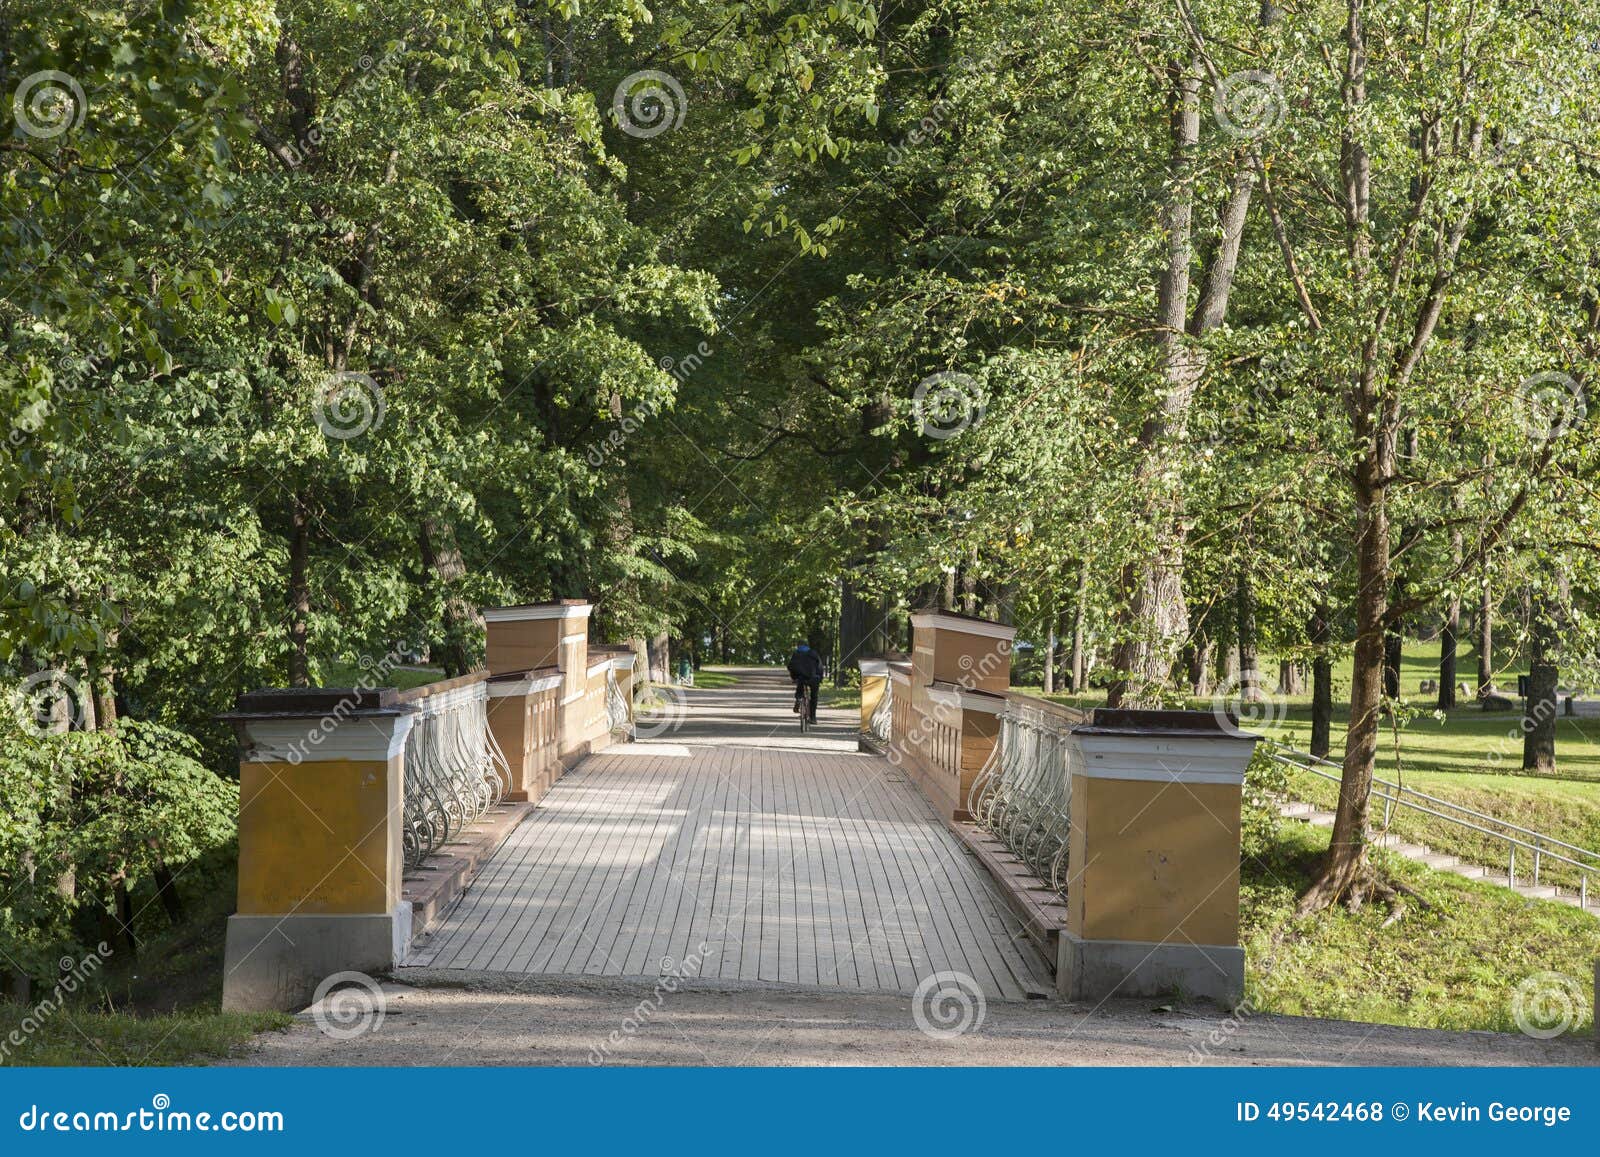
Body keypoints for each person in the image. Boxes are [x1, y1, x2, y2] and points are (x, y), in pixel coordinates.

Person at [786, 642, 823, 723]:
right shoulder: (814, 653)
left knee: (800, 686)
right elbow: (820, 667)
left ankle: (798, 699)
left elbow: (790, 666)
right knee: (814, 697)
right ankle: (813, 718)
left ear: (799, 646)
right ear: (807, 646)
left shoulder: (796, 653)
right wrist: (820, 678)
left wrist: (794, 677)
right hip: (813, 678)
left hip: (801, 678)